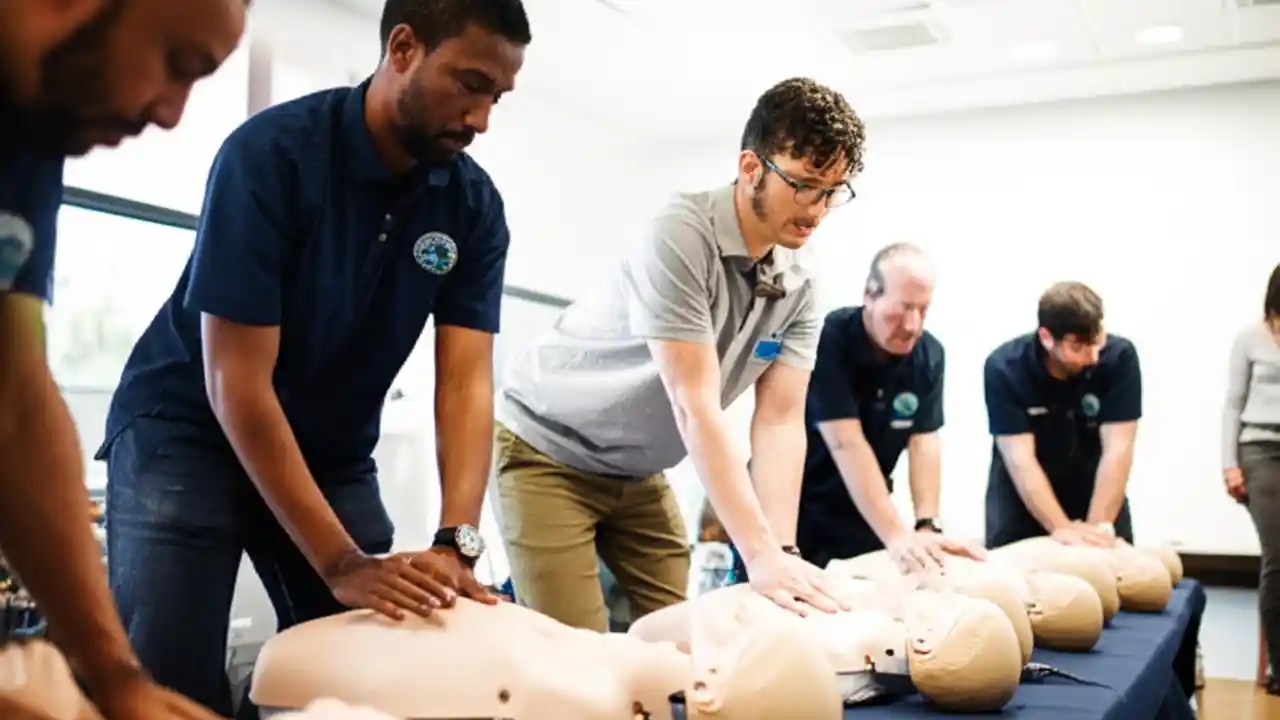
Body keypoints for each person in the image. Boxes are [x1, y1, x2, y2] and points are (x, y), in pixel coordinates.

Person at [93, 0, 531, 715]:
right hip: (186, 431)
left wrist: (457, 537)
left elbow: (464, 382)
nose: (481, 118)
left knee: (377, 663)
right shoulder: (272, 155)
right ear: (403, 46)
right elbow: (235, 379)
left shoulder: (472, 208)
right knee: (168, 685)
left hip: (328, 448)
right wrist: (340, 562)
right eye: (470, 83)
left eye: (497, 97)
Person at [493, 77, 867, 631]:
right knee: (579, 653)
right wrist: (757, 555)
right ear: (750, 167)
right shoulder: (681, 234)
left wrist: (781, 551)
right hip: (548, 451)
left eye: (834, 191)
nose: (818, 210)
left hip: (639, 473)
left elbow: (781, 420)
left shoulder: (804, 282)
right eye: (805, 185)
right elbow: (695, 405)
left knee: (683, 640)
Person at [0, 2, 247, 719]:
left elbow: (15, 397)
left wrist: (116, 678)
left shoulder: (27, 133)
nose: (172, 114)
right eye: (179, 63)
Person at [790, 243, 983, 574]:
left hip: (864, 508)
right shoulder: (829, 339)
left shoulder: (929, 355)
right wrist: (895, 534)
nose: (912, 325)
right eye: (904, 308)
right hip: (798, 505)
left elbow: (924, 440)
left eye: (923, 310)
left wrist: (926, 524)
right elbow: (845, 441)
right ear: (870, 295)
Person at [983, 281, 1141, 549]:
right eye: (1078, 347)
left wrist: (1098, 528)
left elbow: (1119, 449)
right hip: (1025, 496)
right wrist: (1061, 528)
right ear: (1046, 338)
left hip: (1094, 489)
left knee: (1114, 574)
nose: (1092, 357)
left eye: (1096, 341)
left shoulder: (1118, 359)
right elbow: (1020, 459)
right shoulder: (1005, 368)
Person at [1221, 262, 1280, 694]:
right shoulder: (1251, 338)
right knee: (1279, 555)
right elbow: (1232, 403)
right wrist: (1230, 463)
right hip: (1261, 450)